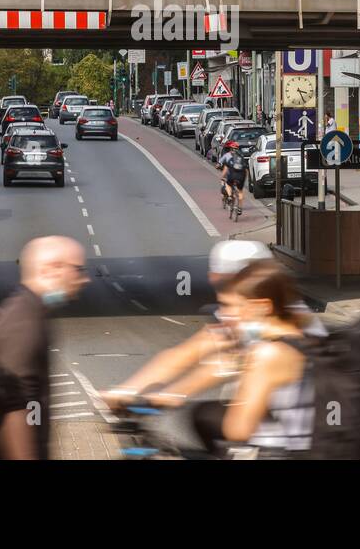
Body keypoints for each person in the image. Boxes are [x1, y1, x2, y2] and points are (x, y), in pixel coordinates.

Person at [104, 240, 326, 419]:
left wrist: (174, 393)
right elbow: (187, 352)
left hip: (304, 428)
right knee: (205, 417)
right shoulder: (245, 313)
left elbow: (222, 365)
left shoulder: (288, 320)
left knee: (209, 421)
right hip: (269, 414)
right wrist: (127, 390)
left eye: (226, 283)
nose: (215, 286)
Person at [195, 260, 314, 457]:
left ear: (263, 307)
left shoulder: (268, 353)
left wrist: (242, 386)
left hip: (275, 453)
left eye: (236, 306)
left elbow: (238, 429)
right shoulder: (300, 336)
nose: (225, 314)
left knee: (205, 417)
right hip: (299, 449)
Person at [0, 235, 89, 459]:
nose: (84, 279)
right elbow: (14, 408)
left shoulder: (31, 311)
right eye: (78, 270)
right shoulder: (24, 323)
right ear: (52, 269)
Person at [218, 144, 246, 215]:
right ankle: (239, 208)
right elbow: (246, 170)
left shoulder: (229, 157)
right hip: (241, 176)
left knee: (228, 185)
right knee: (240, 191)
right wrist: (244, 179)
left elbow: (225, 169)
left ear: (231, 150)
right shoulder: (241, 157)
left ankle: (230, 196)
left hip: (232, 175)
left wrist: (222, 177)